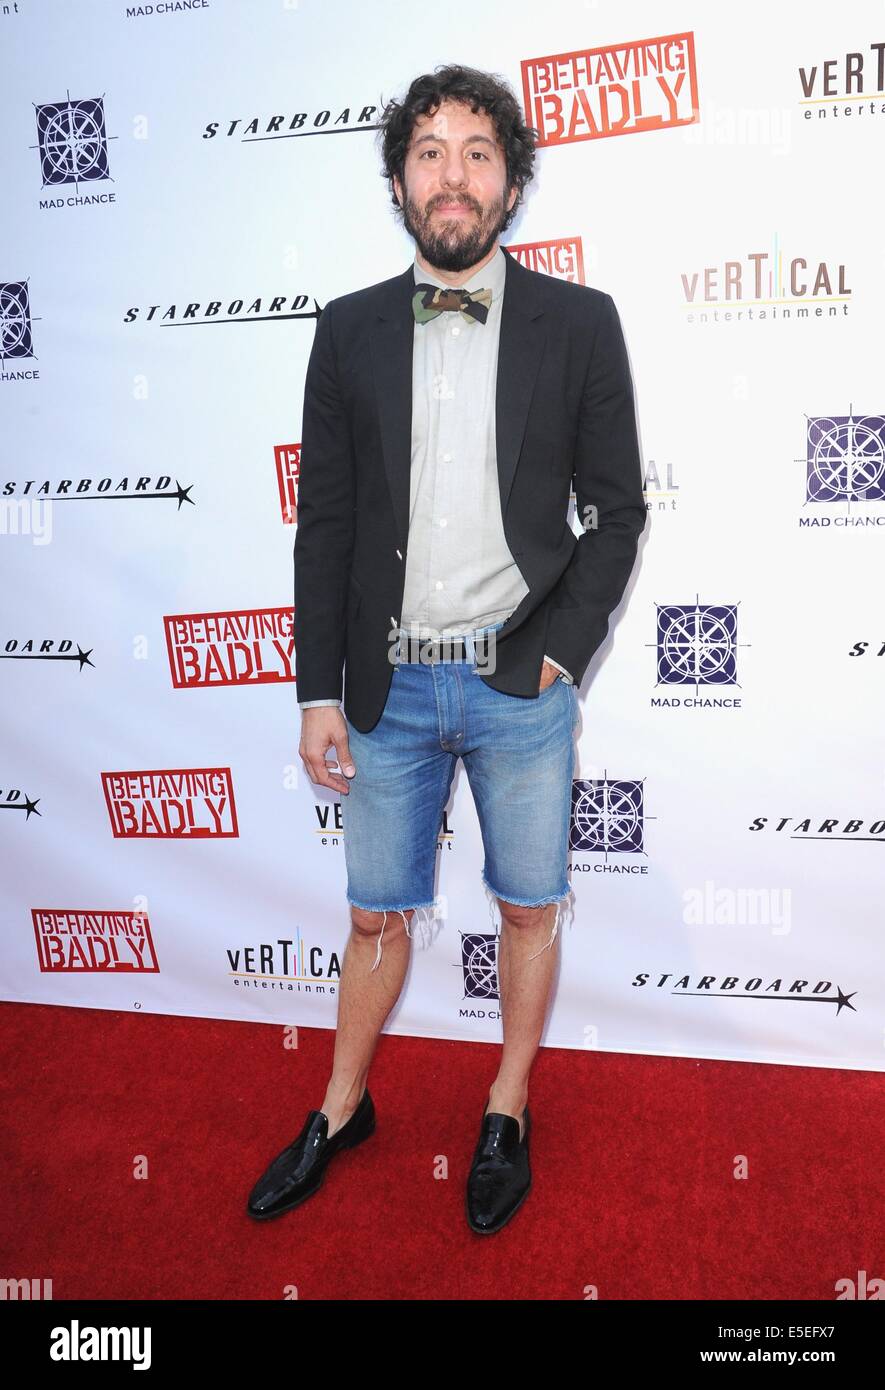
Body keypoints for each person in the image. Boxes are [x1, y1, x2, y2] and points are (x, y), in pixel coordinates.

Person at [247, 63, 646, 1235]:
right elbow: (324, 523)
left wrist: (561, 654)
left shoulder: (582, 323)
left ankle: (508, 1101)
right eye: (430, 151)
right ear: (397, 182)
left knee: (529, 906)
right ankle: (340, 1104)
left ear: (511, 183)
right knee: (375, 915)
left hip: (520, 681)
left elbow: (616, 514)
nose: (454, 174)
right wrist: (317, 687)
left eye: (479, 151)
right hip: (385, 683)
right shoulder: (347, 330)